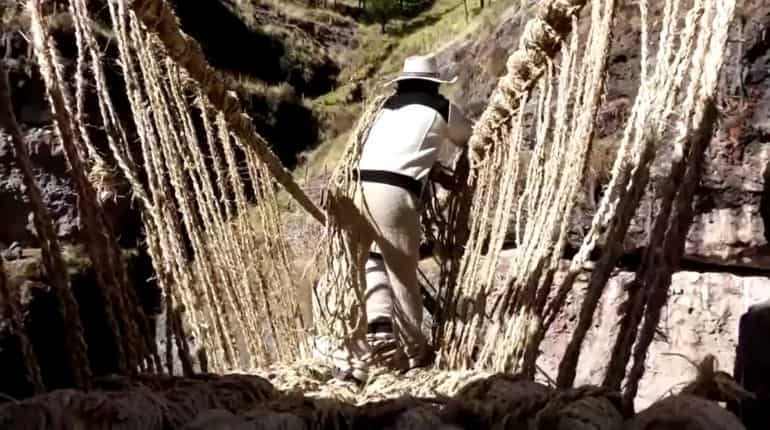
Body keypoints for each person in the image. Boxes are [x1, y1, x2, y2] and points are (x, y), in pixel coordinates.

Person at [333, 54, 473, 383]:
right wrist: (443, 171)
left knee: (354, 274)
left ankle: (351, 361)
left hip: (355, 189)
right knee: (403, 275)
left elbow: (394, 152)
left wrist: (432, 169)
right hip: (393, 196)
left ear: (404, 83)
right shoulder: (441, 107)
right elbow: (468, 138)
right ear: (433, 83)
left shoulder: (389, 107)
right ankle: (415, 355)